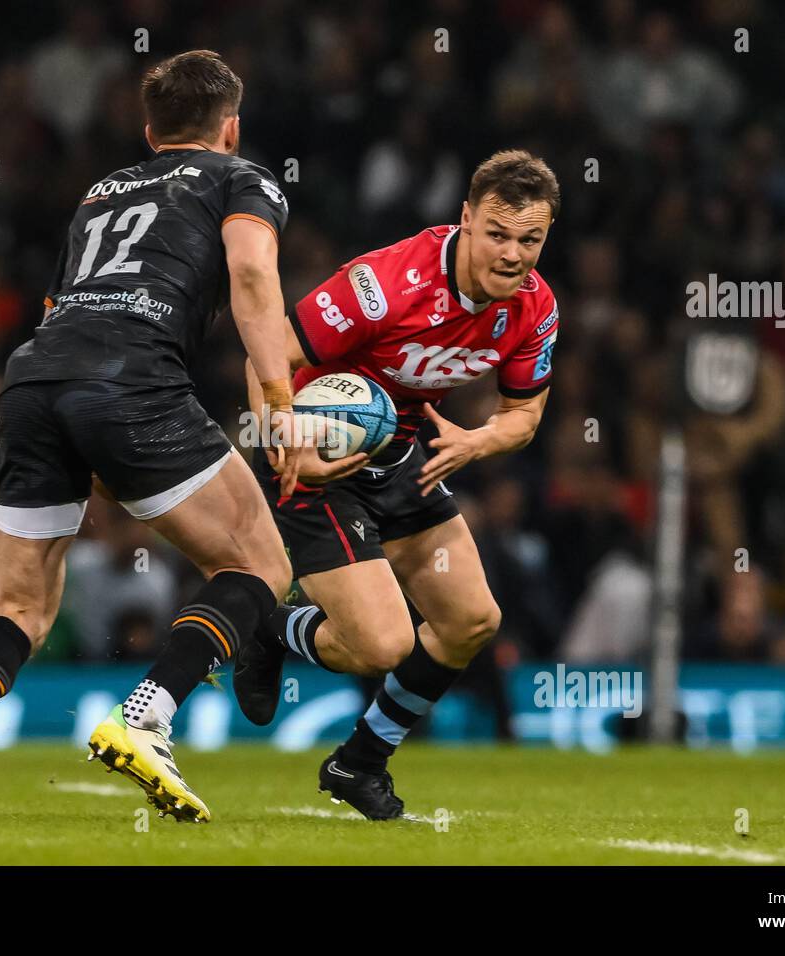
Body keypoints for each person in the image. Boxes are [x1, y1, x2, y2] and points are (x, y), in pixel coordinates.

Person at [0, 50, 301, 824]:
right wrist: (280, 403)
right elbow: (254, 280)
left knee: (19, 603)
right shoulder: (241, 177)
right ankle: (146, 715)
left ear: (150, 130)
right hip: (130, 378)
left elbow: (63, 301)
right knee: (260, 562)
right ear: (232, 127)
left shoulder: (99, 193)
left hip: (35, 379)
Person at [235, 150, 560, 818]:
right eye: (497, 233)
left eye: (530, 239)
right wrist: (284, 438)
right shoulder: (386, 284)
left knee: (473, 620)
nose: (512, 254)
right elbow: (267, 350)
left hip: (406, 451)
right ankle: (268, 629)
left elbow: (524, 414)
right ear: (465, 219)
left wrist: (478, 440)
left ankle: (359, 762)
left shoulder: (534, 307)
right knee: (380, 646)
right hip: (318, 457)